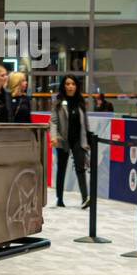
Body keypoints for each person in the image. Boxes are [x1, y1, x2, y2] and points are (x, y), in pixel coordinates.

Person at [51, 75, 91, 209]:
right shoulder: (58, 101)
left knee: (81, 168)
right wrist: (53, 136)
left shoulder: (80, 101)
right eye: (67, 84)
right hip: (63, 140)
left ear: (76, 86)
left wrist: (88, 140)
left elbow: (85, 122)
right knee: (61, 169)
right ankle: (59, 199)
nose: (70, 86)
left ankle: (85, 198)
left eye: (73, 84)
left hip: (78, 140)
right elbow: (53, 121)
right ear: (63, 86)